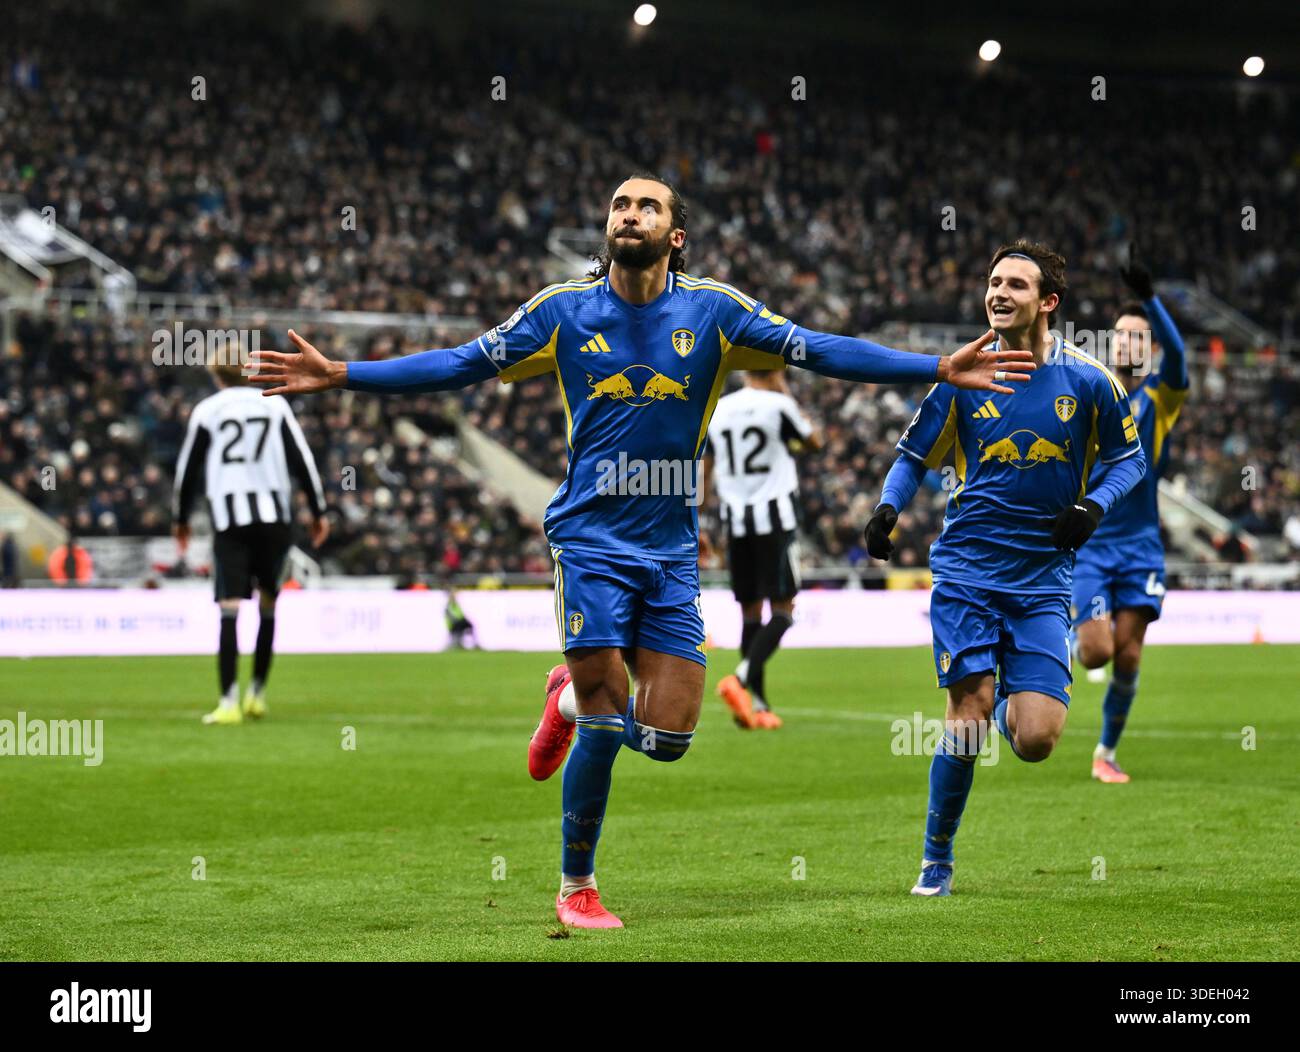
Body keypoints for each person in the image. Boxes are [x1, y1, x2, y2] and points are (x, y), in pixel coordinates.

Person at [250, 173, 1034, 928]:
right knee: (606, 714)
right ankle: (577, 886)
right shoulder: (562, 310)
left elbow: (816, 349)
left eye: (646, 206)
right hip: (588, 538)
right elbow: (460, 364)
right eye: (620, 205)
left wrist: (936, 367)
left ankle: (562, 697)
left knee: (666, 738)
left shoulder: (716, 312)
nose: (629, 214)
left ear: (675, 234)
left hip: (669, 550)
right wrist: (342, 374)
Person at [863, 240, 1146, 896]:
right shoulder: (963, 373)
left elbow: (1128, 459)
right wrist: (887, 508)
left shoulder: (1089, 380)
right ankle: (936, 858)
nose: (998, 293)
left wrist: (1094, 507)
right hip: (967, 570)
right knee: (968, 718)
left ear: (1048, 302)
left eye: (1016, 284)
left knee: (1036, 740)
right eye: (994, 282)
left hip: (1043, 579)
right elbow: (913, 455)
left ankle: (1006, 697)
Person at [1071, 245, 1189, 783]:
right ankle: (1066, 640)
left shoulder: (1161, 399)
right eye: (1121, 334)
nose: (1127, 342)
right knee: (1097, 652)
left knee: (1129, 657)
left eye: (1139, 336)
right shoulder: (1090, 391)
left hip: (1141, 546)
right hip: (1093, 544)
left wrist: (1149, 299)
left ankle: (1105, 752)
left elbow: (1180, 356)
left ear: (1150, 347)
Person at [173, 357, 328, 725]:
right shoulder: (275, 404)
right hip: (275, 518)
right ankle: (257, 693)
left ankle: (228, 702)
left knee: (229, 606)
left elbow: (188, 468)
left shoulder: (207, 410)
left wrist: (180, 518)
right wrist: (318, 511)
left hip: (230, 518)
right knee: (269, 603)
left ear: (216, 375)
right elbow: (302, 460)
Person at [704, 370, 822, 729]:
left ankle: (758, 706)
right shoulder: (778, 404)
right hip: (775, 520)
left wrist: (699, 522)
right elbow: (814, 442)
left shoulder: (719, 409)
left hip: (735, 523)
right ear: (775, 371)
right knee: (784, 611)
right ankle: (740, 680)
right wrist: (785, 392)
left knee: (751, 614)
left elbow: (704, 470)